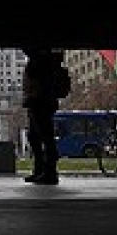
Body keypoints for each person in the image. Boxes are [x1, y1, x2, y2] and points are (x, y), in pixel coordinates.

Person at [21, 48, 69, 185]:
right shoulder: (42, 60)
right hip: (37, 100)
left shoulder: (44, 60)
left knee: (45, 136)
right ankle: (40, 169)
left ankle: (50, 172)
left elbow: (38, 79)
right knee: (35, 136)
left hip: (41, 100)